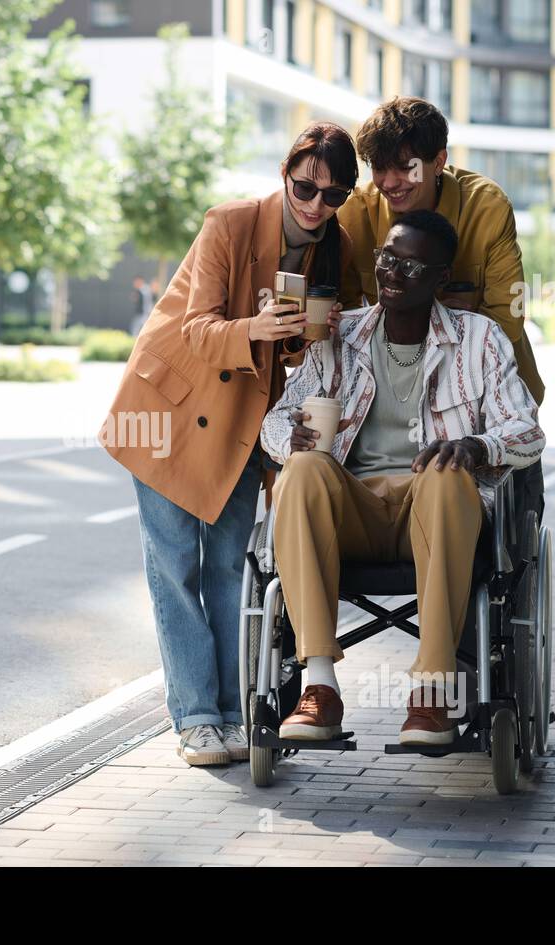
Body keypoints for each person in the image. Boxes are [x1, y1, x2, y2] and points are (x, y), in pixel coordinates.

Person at [101, 123, 357, 767]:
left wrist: (296, 340)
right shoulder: (232, 223)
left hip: (246, 419)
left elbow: (316, 352)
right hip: (170, 410)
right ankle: (193, 717)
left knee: (227, 569)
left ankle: (231, 713)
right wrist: (260, 328)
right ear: (285, 174)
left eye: (334, 195)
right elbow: (195, 328)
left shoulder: (335, 249)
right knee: (174, 568)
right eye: (306, 186)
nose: (316, 204)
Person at [259, 211, 545, 746]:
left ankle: (433, 692)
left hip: (435, 514)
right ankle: (318, 687)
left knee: (444, 470)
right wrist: (286, 440)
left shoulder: (479, 340)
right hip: (353, 511)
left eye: (410, 266)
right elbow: (277, 418)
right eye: (387, 258)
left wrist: (477, 444)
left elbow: (527, 430)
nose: (392, 272)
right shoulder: (339, 336)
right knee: (302, 468)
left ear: (439, 279)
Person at [336, 96, 545, 516]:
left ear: (439, 160)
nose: (391, 181)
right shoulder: (355, 213)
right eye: (379, 168)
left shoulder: (486, 207)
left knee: (513, 527)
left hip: (489, 400)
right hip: (388, 405)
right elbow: (340, 319)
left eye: (406, 167)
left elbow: (507, 318)